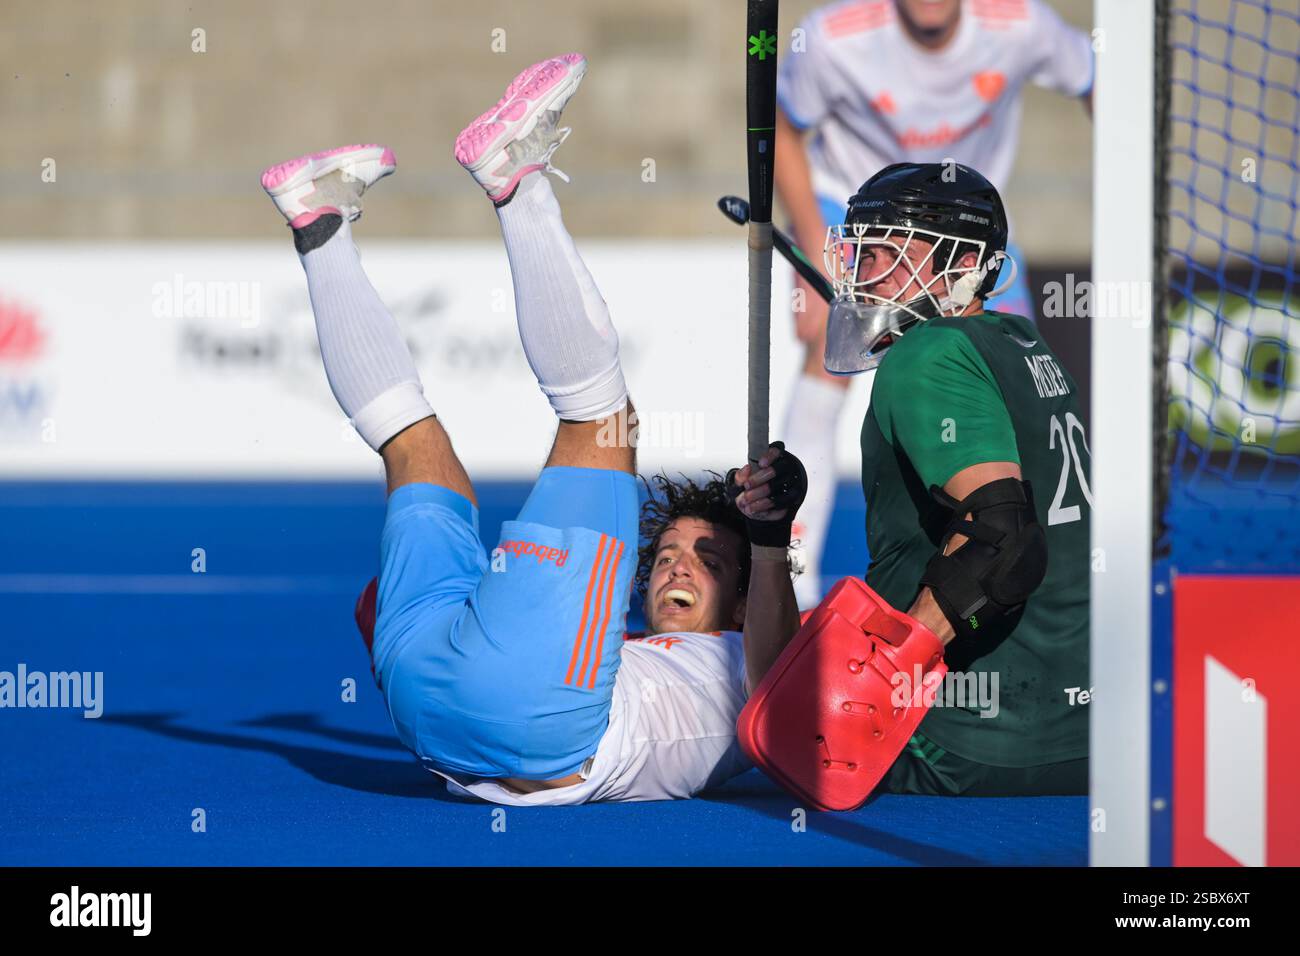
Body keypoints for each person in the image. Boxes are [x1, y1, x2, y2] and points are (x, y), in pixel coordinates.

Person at [261, 54, 808, 805]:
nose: (677, 567)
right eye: (671, 554)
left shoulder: (751, 659)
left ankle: (515, 178)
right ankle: (319, 222)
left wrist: (770, 540)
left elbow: (779, 685)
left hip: (530, 722)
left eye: (709, 559)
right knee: (415, 447)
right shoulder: (612, 645)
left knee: (604, 418)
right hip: (432, 708)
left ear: (743, 602)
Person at [774, 0, 1094, 607]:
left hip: (968, 237)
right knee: (828, 360)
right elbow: (784, 128)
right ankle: (793, 582)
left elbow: (1097, 80)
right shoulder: (832, 39)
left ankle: (1029, 569)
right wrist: (819, 251)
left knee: (1017, 382)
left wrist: (1131, 183)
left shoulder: (1022, 25)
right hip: (861, 227)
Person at [818, 161, 1091, 796]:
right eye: (860, 250)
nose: (864, 271)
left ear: (965, 264)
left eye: (887, 248)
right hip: (1081, 739)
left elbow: (1004, 538)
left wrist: (891, 669)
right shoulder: (1020, 340)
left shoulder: (927, 353)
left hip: (958, 747)